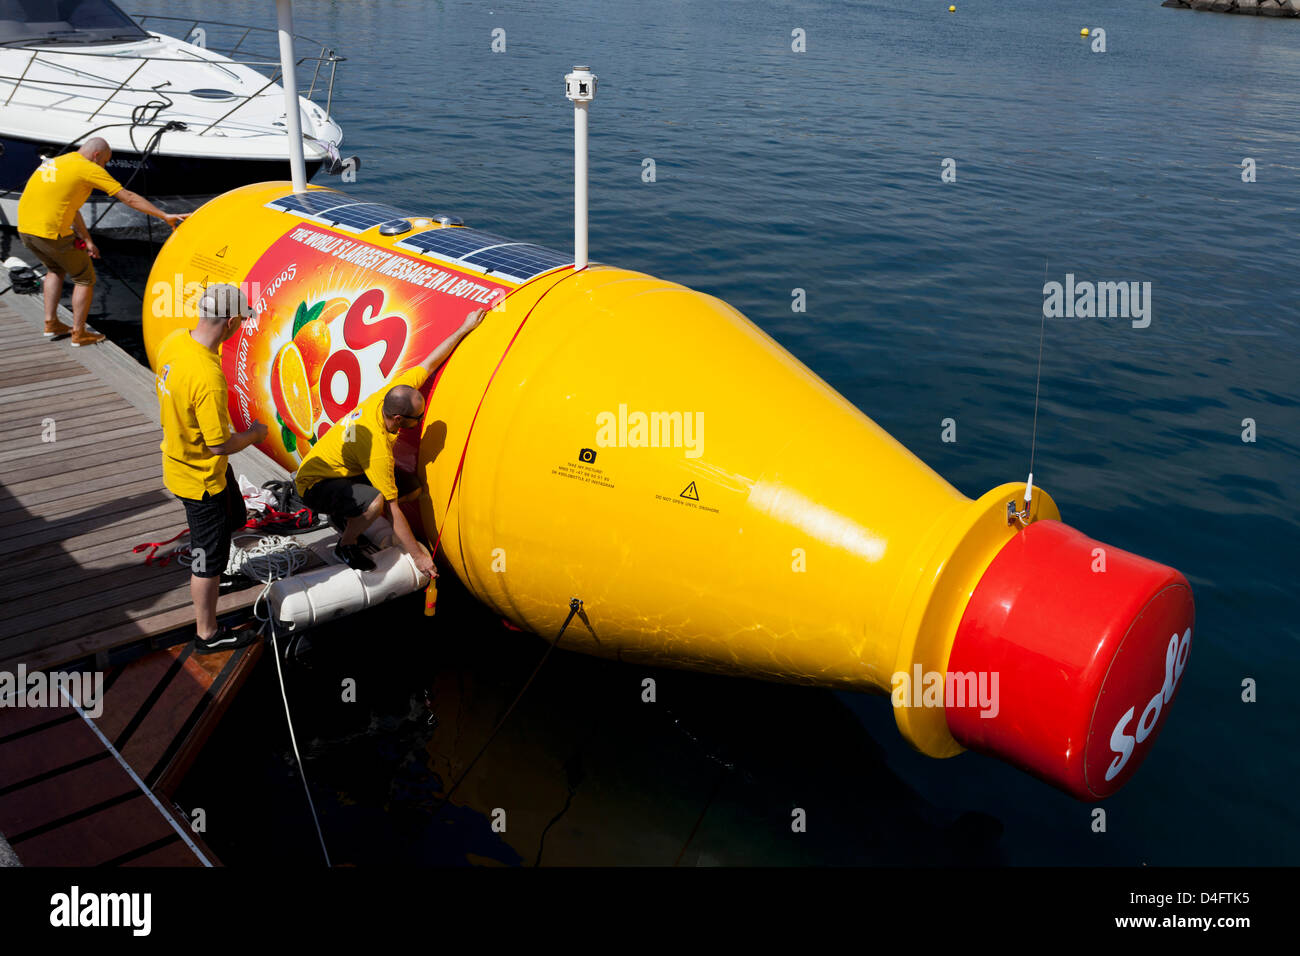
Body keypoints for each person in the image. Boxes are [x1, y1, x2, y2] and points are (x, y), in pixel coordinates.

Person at [296, 308, 487, 573]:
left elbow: (430, 364)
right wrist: (420, 558)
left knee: (410, 487)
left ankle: (351, 513)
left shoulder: (393, 393)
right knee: (377, 502)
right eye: (418, 419)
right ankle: (347, 543)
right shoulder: (377, 450)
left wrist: (465, 327)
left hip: (341, 469)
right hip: (314, 484)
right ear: (398, 419)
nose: (420, 421)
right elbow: (393, 510)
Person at [156, 284, 268, 653]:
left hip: (181, 461)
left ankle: (216, 572)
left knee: (234, 514)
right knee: (207, 557)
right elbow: (219, 443)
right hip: (199, 479)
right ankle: (208, 633)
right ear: (233, 321)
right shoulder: (207, 375)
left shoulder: (175, 340)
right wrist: (253, 434)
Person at [16, 137, 188, 346]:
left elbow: (72, 208)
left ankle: (51, 323)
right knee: (84, 278)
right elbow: (128, 197)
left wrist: (87, 240)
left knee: (55, 270)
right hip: (52, 233)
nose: (105, 166)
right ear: (96, 155)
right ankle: (79, 334)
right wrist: (163, 215)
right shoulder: (88, 168)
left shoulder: (58, 161)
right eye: (105, 161)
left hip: (27, 230)